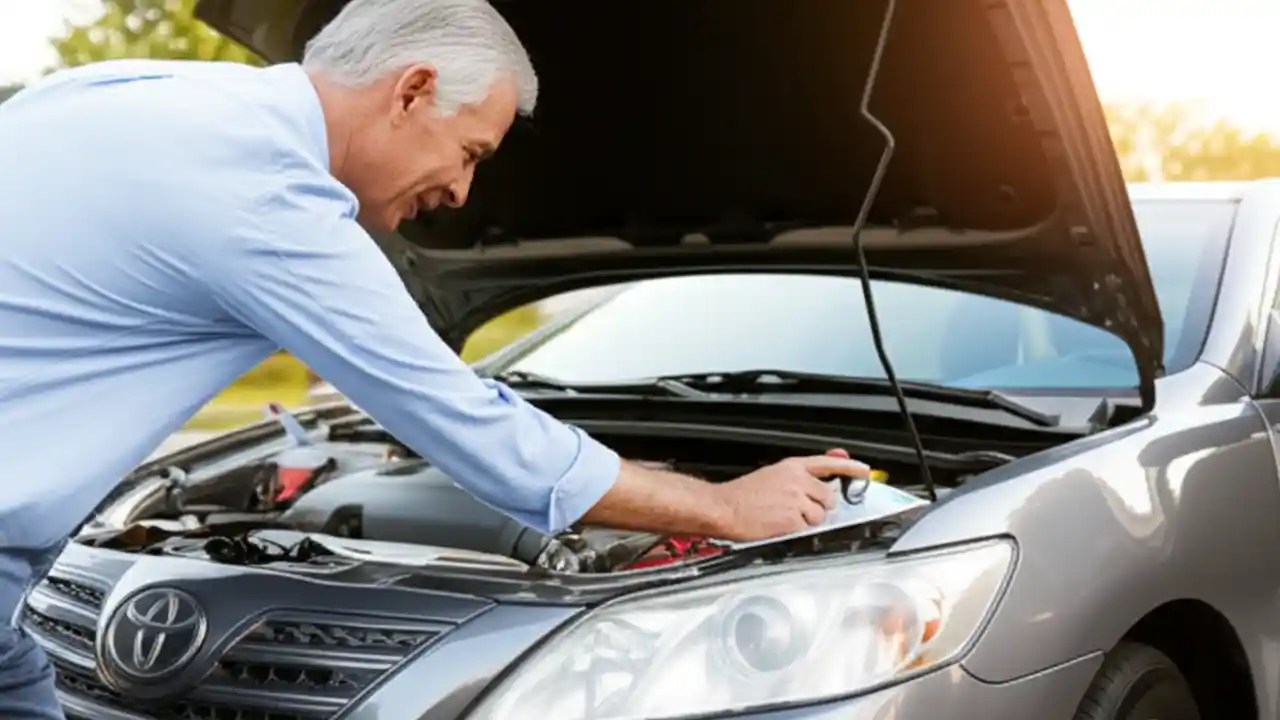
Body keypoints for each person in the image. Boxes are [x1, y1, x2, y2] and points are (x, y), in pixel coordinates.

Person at [0, 0, 869, 715]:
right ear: (412, 91)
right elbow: (472, 431)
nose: (462, 191)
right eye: (472, 153)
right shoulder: (270, 195)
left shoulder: (119, 91)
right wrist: (724, 506)